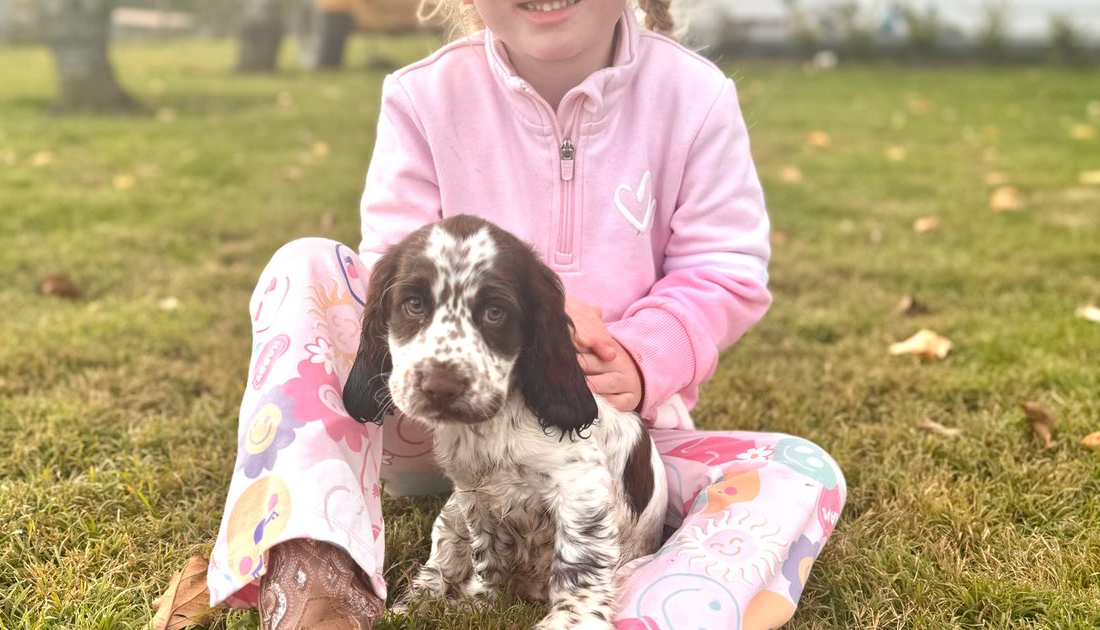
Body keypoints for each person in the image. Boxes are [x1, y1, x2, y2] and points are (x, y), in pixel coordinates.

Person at [207, 0, 847, 627]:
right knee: (305, 265)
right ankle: (314, 569)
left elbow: (725, 266)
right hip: (420, 423)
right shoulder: (423, 95)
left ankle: (648, 607)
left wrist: (645, 353)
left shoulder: (694, 96)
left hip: (608, 433)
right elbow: (393, 268)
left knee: (799, 471)